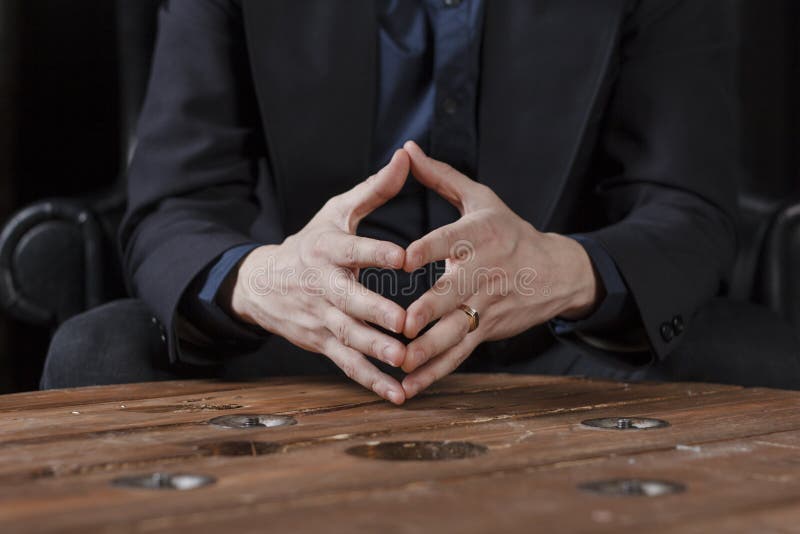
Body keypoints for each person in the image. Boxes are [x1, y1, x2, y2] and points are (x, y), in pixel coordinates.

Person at [41, 0, 800, 401]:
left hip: (555, 347)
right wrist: (267, 283)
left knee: (766, 362)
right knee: (96, 354)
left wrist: (559, 270)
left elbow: (688, 208)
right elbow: (176, 201)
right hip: (305, 344)